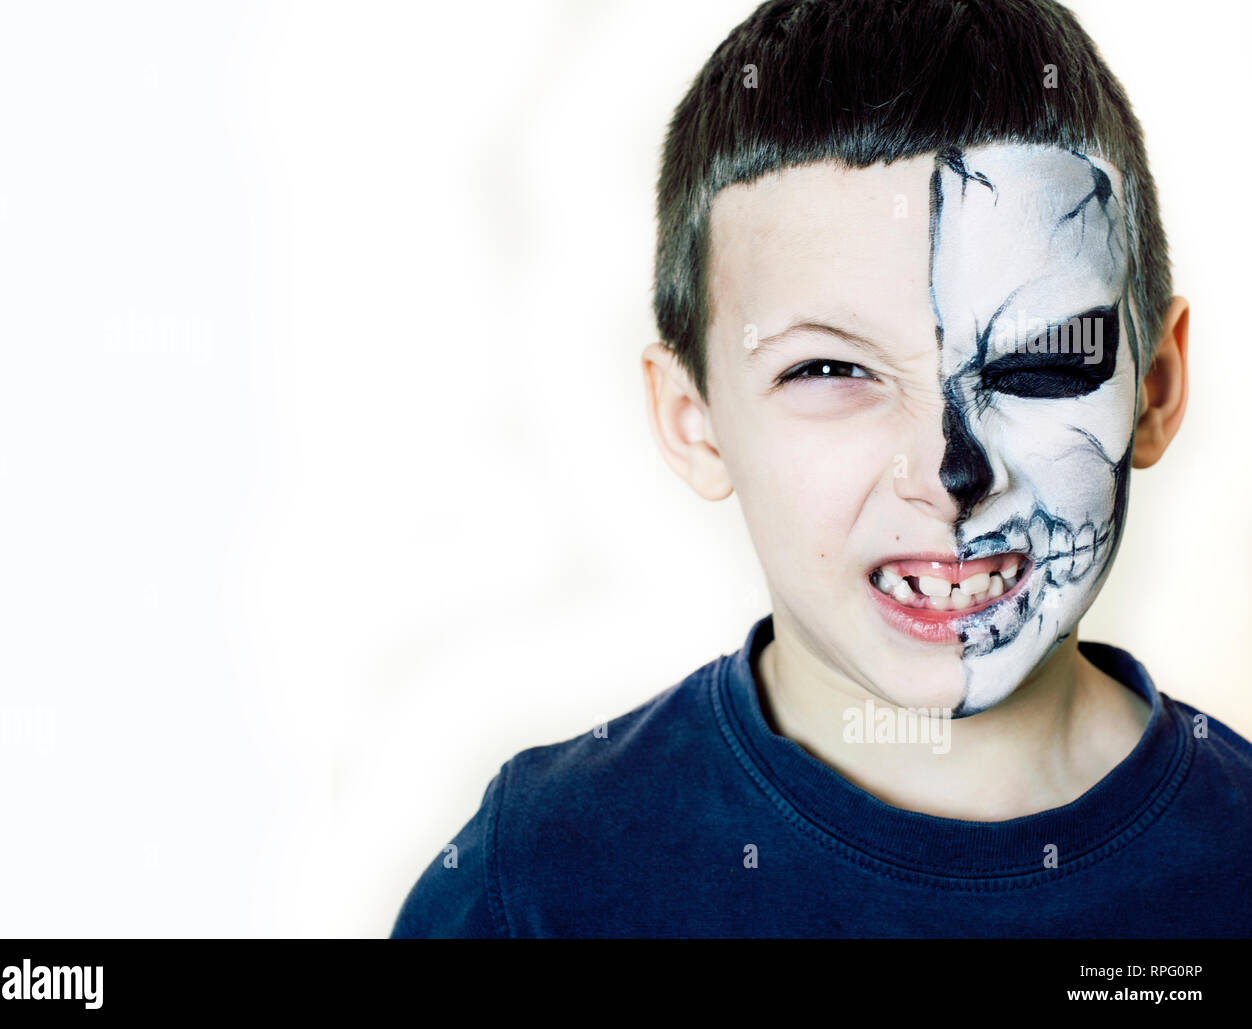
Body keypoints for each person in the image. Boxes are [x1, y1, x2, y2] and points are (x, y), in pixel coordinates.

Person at [391, 0, 1251, 937]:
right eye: (832, 370)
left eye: (1034, 363)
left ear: (1157, 387)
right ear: (696, 424)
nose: (948, 472)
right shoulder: (540, 882)